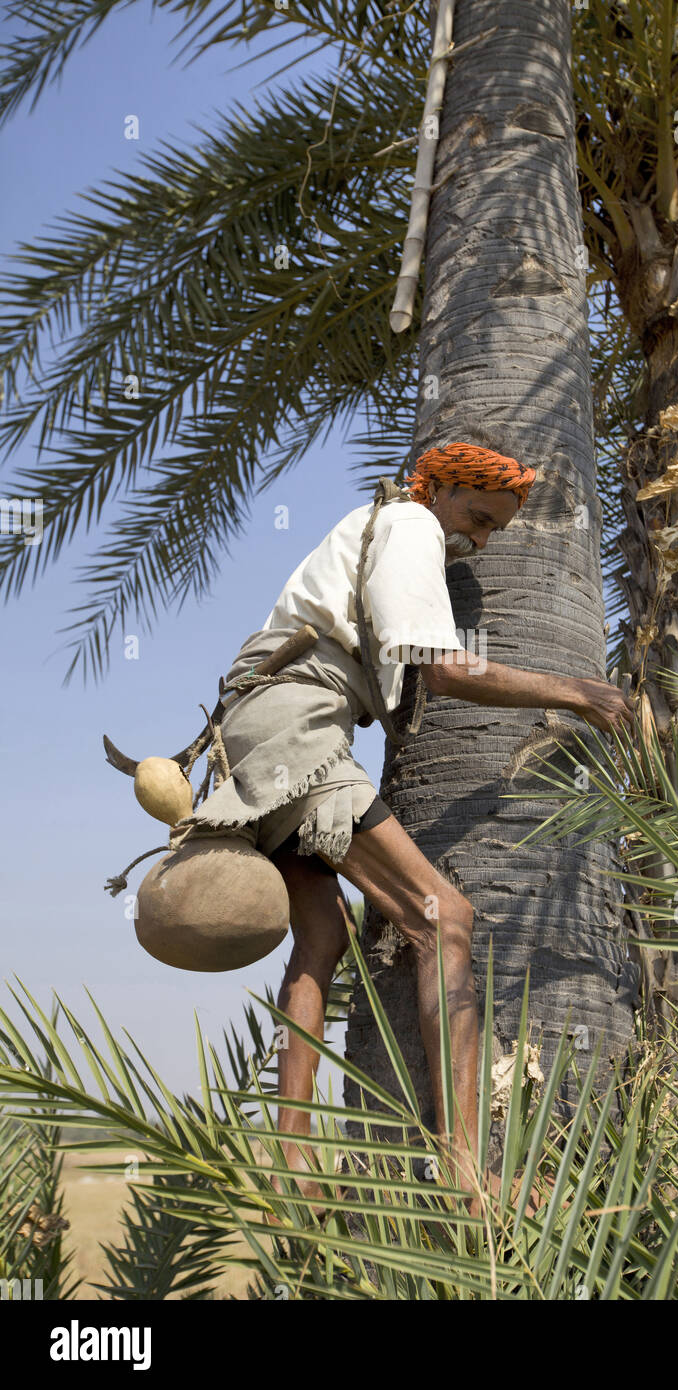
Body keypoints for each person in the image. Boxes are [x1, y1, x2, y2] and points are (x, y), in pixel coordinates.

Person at [179, 441, 635, 1215]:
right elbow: (445, 667)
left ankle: (292, 1164)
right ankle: (463, 1167)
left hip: (253, 734)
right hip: (297, 731)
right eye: (480, 517)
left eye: (495, 531)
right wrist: (581, 693)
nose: (480, 541)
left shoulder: (374, 528)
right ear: (445, 486)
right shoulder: (409, 524)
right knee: (442, 918)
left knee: (322, 941)